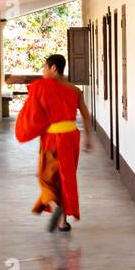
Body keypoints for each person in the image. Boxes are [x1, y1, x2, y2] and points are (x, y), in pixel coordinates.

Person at [15, 54, 92, 232]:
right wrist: (88, 138)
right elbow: (86, 116)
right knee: (66, 179)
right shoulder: (75, 90)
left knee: (47, 178)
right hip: (71, 138)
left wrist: (29, 129)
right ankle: (63, 223)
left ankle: (52, 201)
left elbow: (32, 113)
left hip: (52, 139)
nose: (43, 73)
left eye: (44, 68)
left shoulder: (42, 87)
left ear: (53, 69)